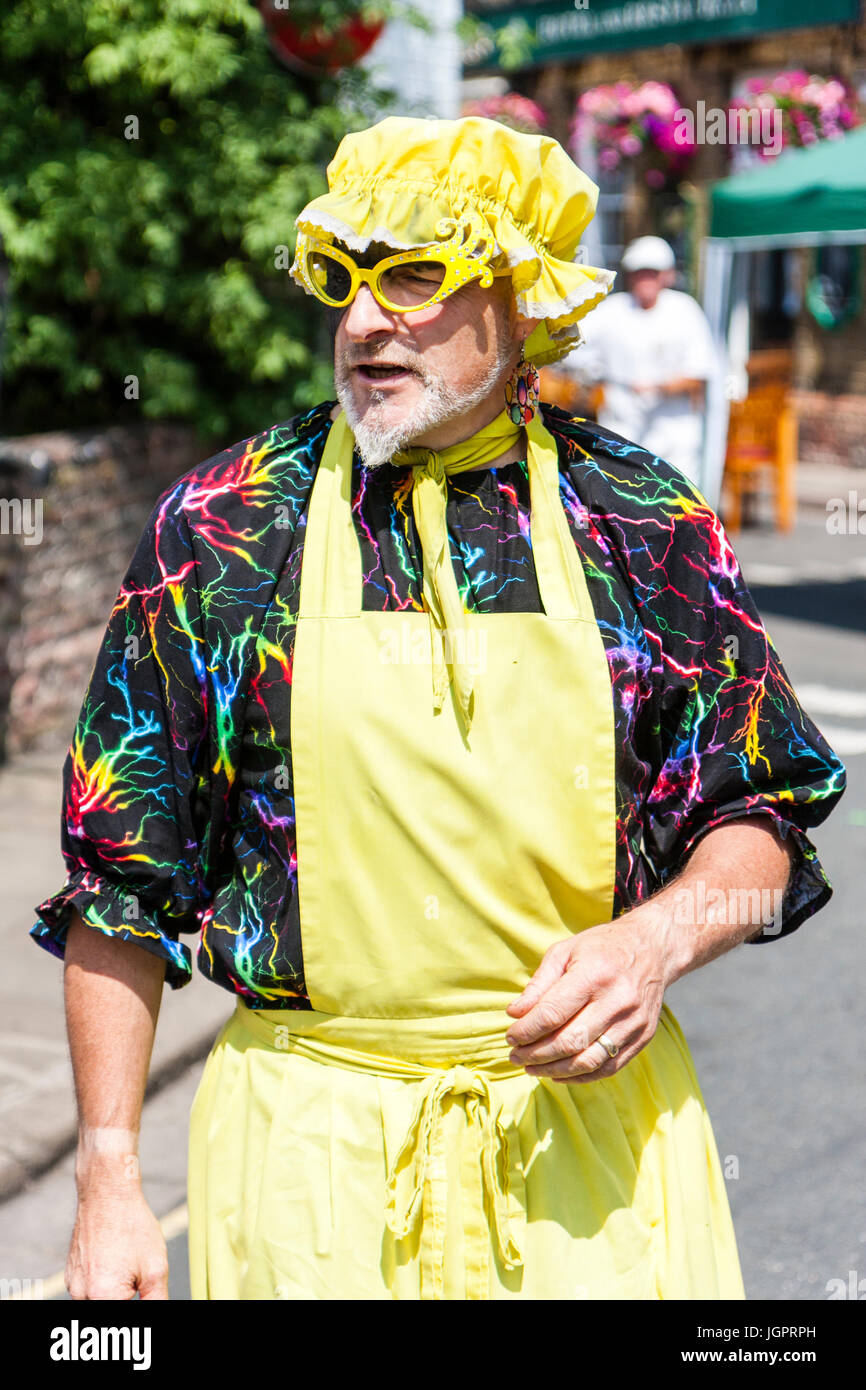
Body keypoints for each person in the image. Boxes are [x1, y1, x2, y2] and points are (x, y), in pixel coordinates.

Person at [32, 116, 845, 1302]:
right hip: (308, 1176)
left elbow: (759, 813)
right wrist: (108, 1181)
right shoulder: (222, 525)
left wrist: (653, 943)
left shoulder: (640, 516)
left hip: (592, 1172)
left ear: (521, 299)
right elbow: (122, 881)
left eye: (414, 275)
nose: (364, 321)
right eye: (346, 280)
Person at [564, 234, 720, 488]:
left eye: (652, 272)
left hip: (674, 440)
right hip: (621, 434)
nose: (645, 279)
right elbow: (571, 346)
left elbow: (698, 375)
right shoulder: (612, 311)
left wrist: (657, 387)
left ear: (666, 275)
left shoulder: (684, 311)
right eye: (639, 272)